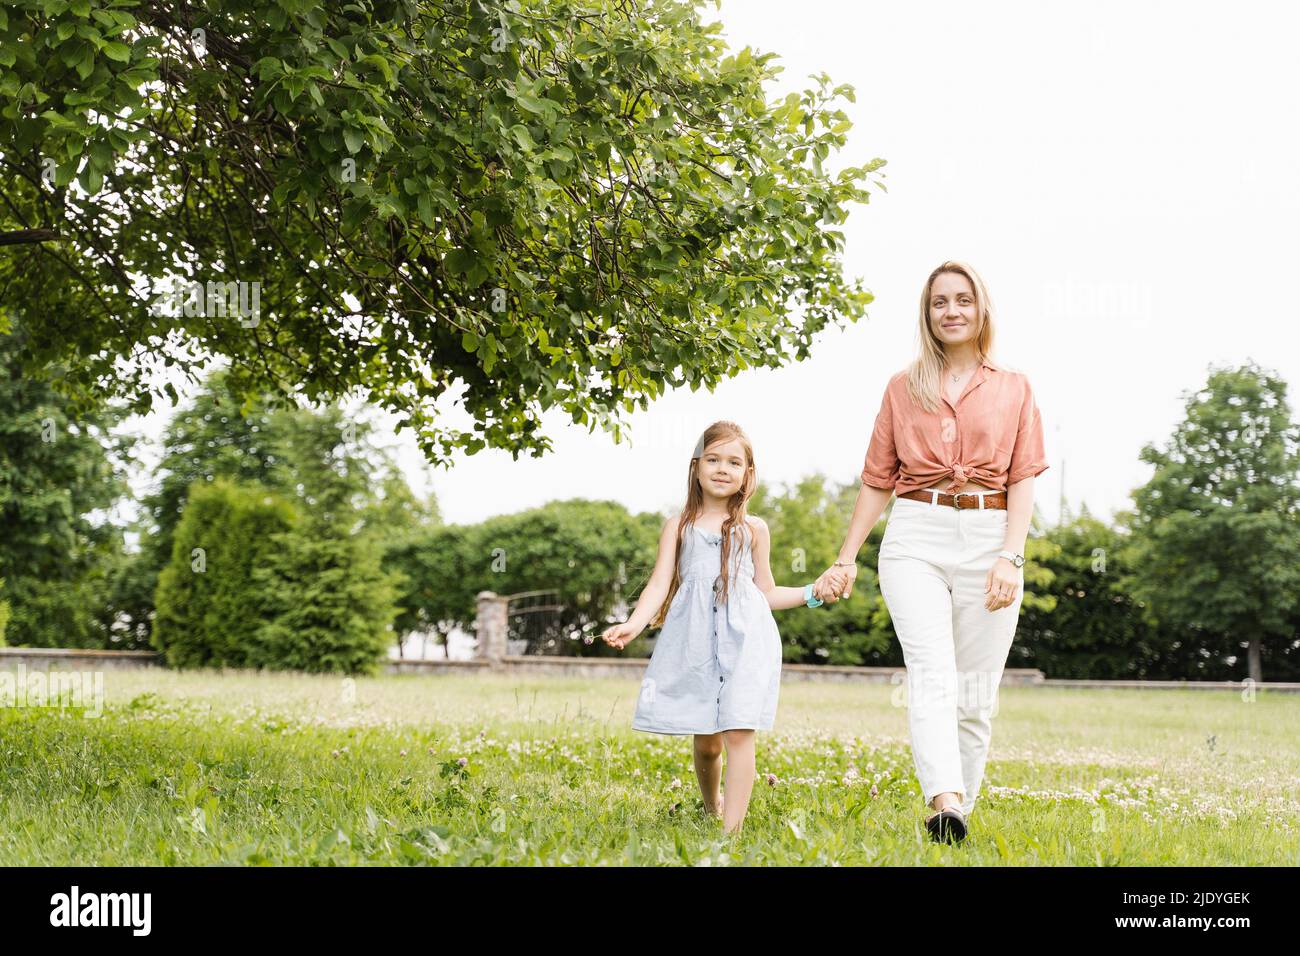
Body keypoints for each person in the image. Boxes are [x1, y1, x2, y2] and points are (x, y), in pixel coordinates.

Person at [816, 260, 1049, 845]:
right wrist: (846, 557)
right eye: (940, 302)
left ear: (981, 309)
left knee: (975, 695)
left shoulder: (1015, 386)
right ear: (927, 314)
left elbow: (1023, 477)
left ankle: (956, 815)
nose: (952, 311)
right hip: (915, 534)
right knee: (932, 673)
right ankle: (941, 797)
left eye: (962, 300)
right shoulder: (902, 386)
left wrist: (1010, 558)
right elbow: (876, 479)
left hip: (990, 535)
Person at [602, 420, 836, 834]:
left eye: (734, 461)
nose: (722, 468)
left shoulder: (754, 529)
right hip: (695, 642)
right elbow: (659, 583)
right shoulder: (679, 526)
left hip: (747, 640)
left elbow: (764, 591)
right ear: (696, 467)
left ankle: (731, 833)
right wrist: (634, 624)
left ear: (748, 473)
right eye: (713, 459)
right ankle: (712, 805)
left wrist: (810, 592)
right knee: (707, 741)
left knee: (739, 730)